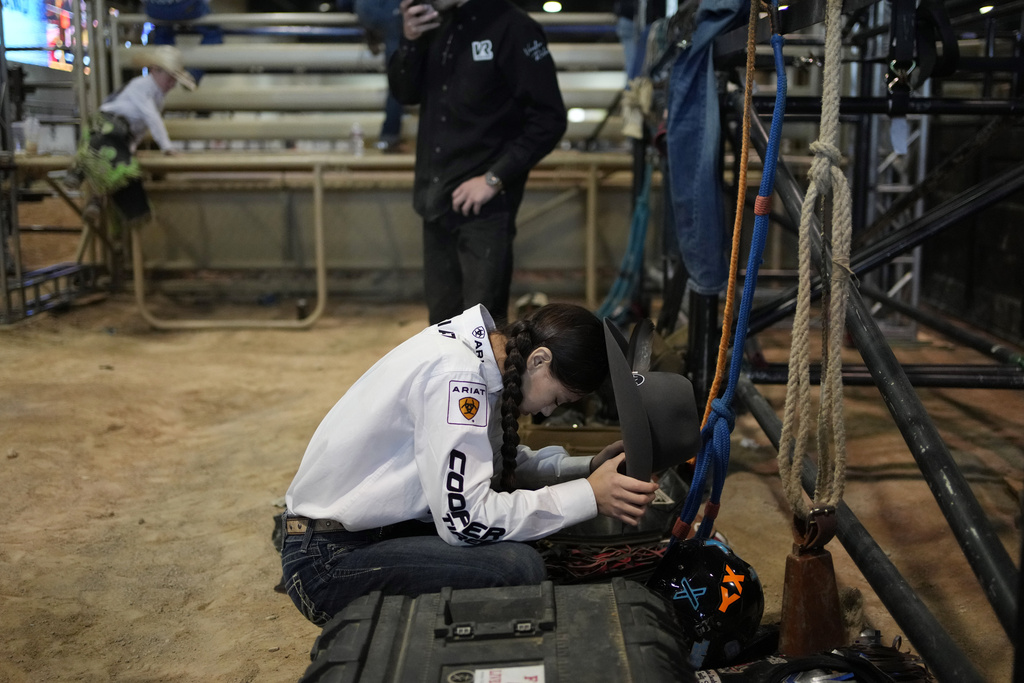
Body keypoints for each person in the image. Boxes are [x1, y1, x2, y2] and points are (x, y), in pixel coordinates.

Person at [279, 303, 660, 626]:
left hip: (363, 534)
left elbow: (488, 466)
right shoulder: (457, 377)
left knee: (529, 534)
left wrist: (588, 468)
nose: (547, 411)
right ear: (539, 359)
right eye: (558, 399)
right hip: (326, 563)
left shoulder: (480, 357)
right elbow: (466, 523)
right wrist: (588, 497)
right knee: (515, 568)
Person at [387, 0, 567, 326]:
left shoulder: (514, 27)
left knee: (481, 332)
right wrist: (409, 41)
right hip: (435, 200)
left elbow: (549, 120)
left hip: (485, 208)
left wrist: (493, 178)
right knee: (441, 329)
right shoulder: (433, 24)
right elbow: (404, 93)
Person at [66, 46, 195, 227]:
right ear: (154, 70)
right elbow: (151, 118)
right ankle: (130, 210)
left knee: (117, 164)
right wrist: (167, 148)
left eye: (174, 79)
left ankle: (93, 195)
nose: (172, 83)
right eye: (170, 77)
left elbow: (140, 128)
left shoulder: (155, 96)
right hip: (108, 129)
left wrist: (131, 148)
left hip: (116, 134)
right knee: (122, 168)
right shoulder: (141, 86)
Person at [354, 0, 406, 151]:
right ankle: (389, 136)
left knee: (398, 77)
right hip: (391, 13)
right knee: (398, 78)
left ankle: (373, 35)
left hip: (365, 8)